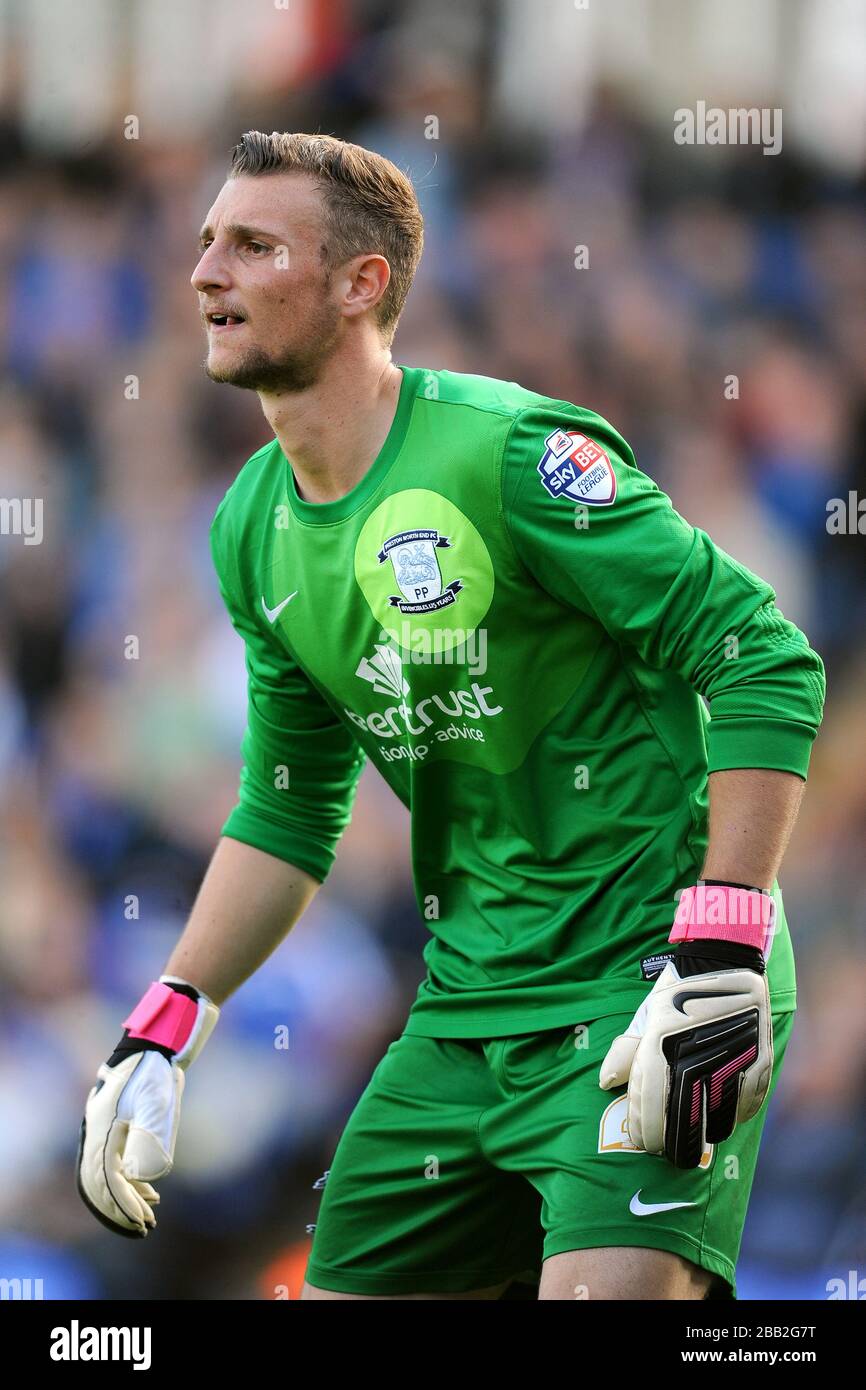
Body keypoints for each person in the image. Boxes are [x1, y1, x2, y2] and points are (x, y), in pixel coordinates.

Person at [77, 131, 825, 1301]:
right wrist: (167, 1016)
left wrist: (720, 944)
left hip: (646, 978)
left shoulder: (511, 452)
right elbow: (284, 812)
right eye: (206, 241)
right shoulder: (248, 525)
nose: (205, 272)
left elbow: (761, 658)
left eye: (253, 245)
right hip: (467, 1000)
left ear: (359, 285)